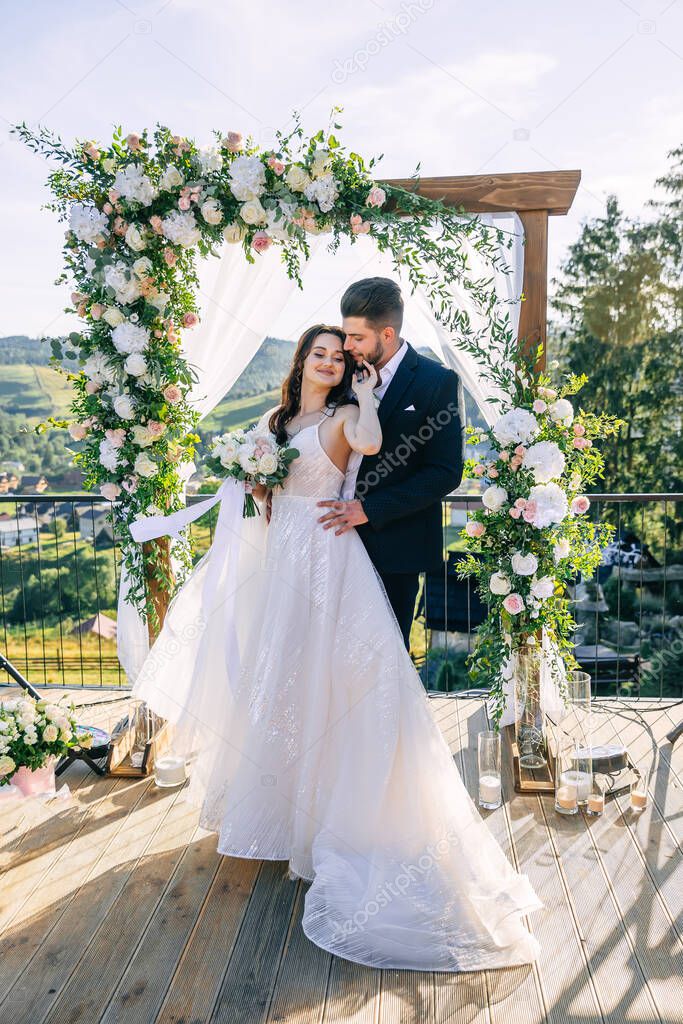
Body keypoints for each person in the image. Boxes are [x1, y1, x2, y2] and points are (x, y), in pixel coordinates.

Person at [131, 320, 544, 973]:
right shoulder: (273, 418)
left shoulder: (353, 415)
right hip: (280, 559)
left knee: (342, 684)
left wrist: (367, 393)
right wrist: (258, 483)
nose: (328, 361)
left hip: (328, 557)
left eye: (337, 354)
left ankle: (337, 819)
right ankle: (276, 813)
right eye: (319, 353)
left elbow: (374, 443)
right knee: (279, 680)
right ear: (302, 361)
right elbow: (266, 495)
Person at [316, 277, 465, 651]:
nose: (346, 346)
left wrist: (369, 509)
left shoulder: (436, 382)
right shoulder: (340, 373)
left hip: (396, 547)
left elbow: (445, 472)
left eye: (356, 338)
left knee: (385, 657)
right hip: (326, 539)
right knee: (327, 654)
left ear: (387, 333)